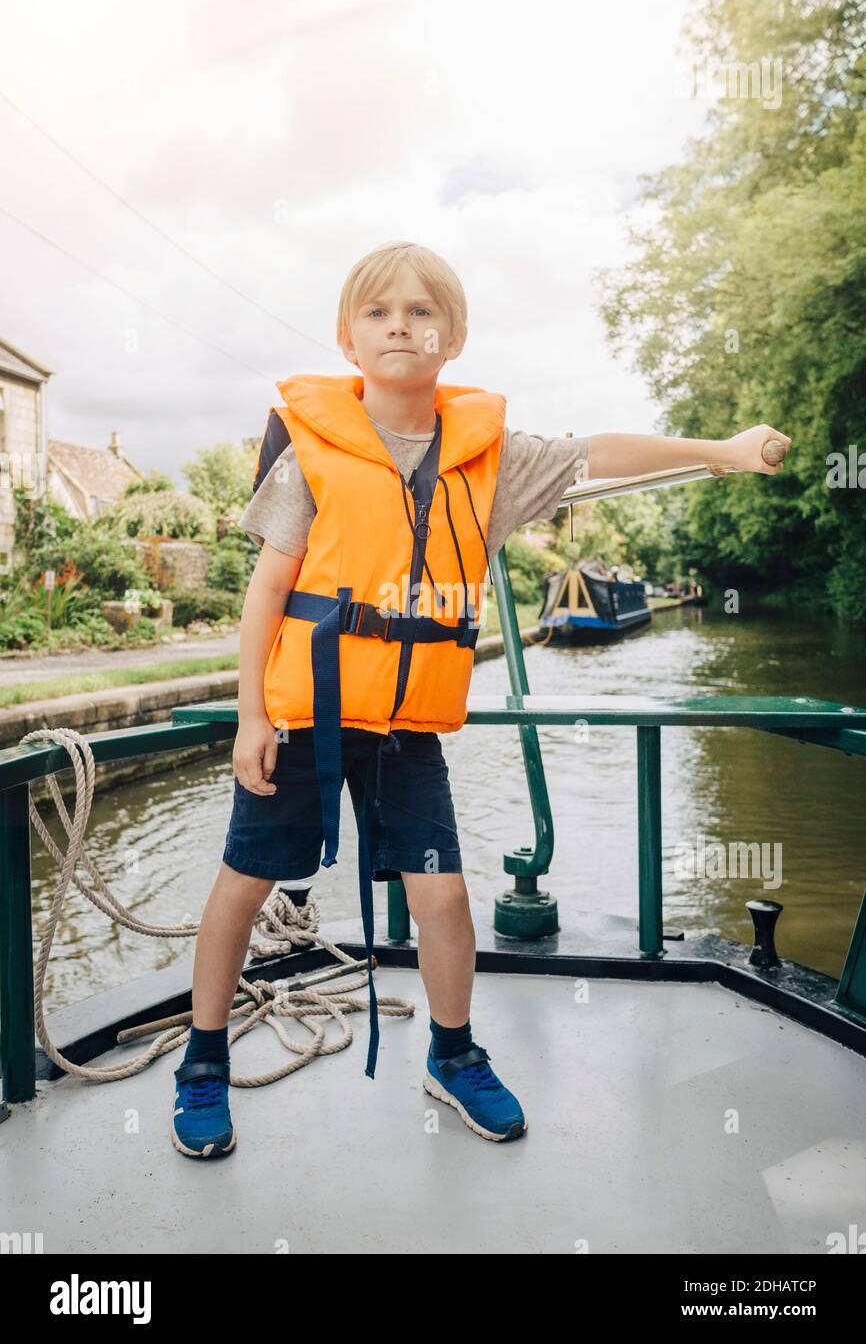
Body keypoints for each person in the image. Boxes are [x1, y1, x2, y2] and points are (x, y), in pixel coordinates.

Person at [171, 240, 791, 1157]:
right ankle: (203, 1061)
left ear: (451, 338)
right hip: (303, 719)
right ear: (350, 338)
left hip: (405, 731)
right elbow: (267, 590)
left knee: (445, 894)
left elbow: (597, 453)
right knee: (243, 884)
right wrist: (252, 716)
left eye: (422, 313)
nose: (401, 326)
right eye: (380, 313)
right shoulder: (313, 456)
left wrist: (723, 452)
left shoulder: (495, 462)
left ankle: (453, 1055)